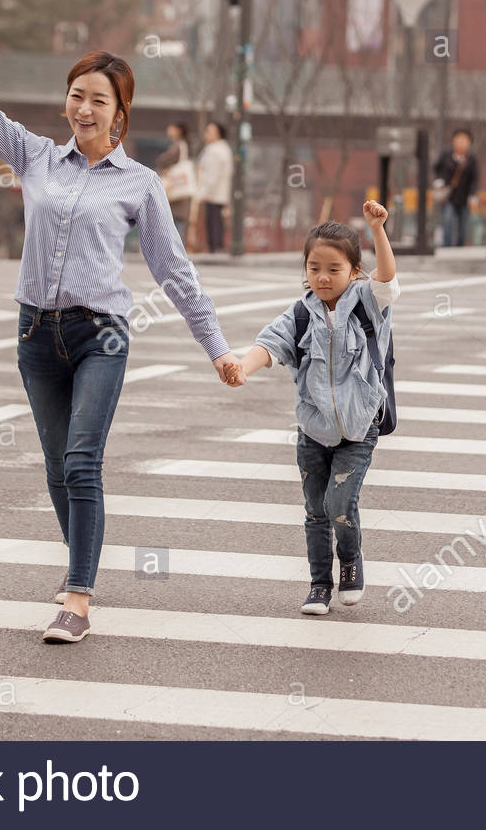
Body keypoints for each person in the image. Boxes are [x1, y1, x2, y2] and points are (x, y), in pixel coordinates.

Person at [0, 16, 243, 644]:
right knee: (54, 466)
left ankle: (78, 599)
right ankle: (82, 563)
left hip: (103, 336)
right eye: (77, 95)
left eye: (100, 100)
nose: (85, 108)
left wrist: (217, 347)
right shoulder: (33, 156)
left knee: (82, 461)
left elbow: (172, 269)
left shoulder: (140, 184)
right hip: (36, 334)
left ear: (120, 114)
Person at [223, 200, 399, 615]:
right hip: (312, 429)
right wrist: (243, 368)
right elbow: (269, 345)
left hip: (359, 427)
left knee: (339, 504)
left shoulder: (369, 303)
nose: (322, 277)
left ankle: (350, 561)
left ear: (354, 271)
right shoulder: (301, 313)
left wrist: (377, 230)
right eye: (314, 267)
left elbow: (388, 278)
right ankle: (319, 584)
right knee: (315, 511)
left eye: (334, 269)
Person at [433, 127, 478, 247]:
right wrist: (440, 182)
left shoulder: (471, 160)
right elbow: (436, 169)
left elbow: (474, 179)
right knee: (447, 220)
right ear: (453, 141)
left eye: (465, 140)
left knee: (463, 226)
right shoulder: (446, 156)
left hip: (464, 198)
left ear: (469, 143)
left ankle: (460, 248)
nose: (461, 143)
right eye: (459, 139)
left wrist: (472, 196)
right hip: (449, 197)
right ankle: (447, 246)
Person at [195, 120, 232, 253]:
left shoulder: (215, 151)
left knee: (213, 222)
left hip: (213, 194)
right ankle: (217, 248)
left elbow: (212, 175)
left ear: (218, 134)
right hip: (218, 193)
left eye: (209, 131)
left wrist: (203, 193)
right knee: (215, 221)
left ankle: (215, 249)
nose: (206, 134)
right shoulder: (222, 149)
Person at [155, 121, 195, 244]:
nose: (168, 130)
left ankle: (176, 248)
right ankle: (179, 247)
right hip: (181, 189)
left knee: (175, 220)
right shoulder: (184, 145)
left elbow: (163, 160)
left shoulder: (178, 146)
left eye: (171, 128)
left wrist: (164, 166)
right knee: (179, 221)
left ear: (178, 131)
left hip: (176, 190)